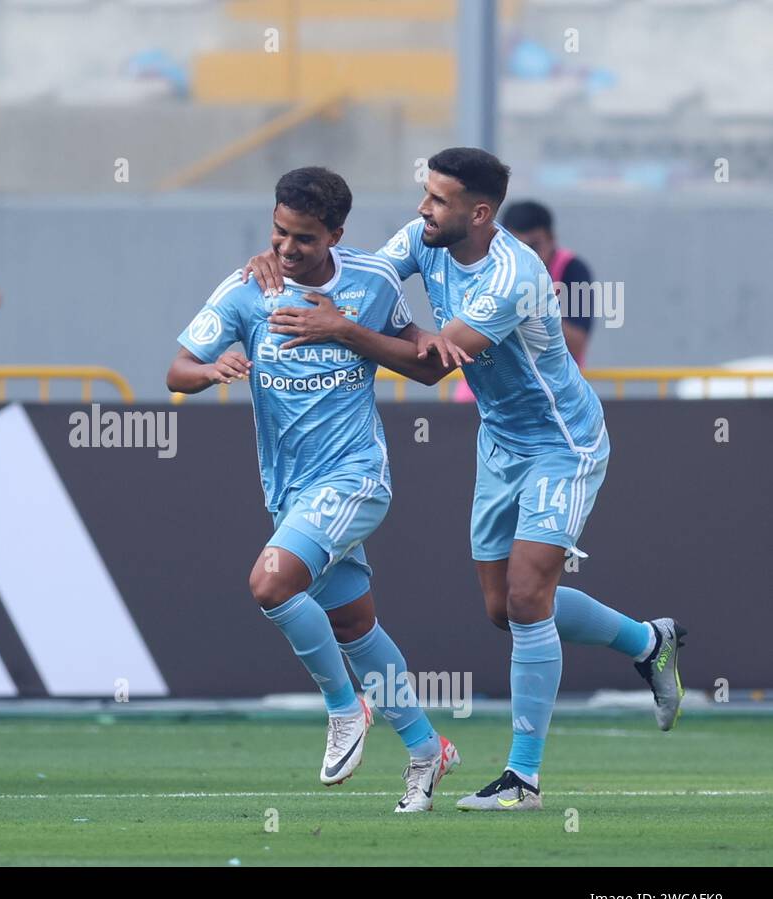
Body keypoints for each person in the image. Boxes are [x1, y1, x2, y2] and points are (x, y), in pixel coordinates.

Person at [244, 147, 685, 813]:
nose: (423, 208)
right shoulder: (425, 237)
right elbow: (358, 276)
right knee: (505, 609)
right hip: (500, 440)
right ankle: (649, 641)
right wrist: (278, 264)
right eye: (426, 193)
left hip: (560, 442)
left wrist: (338, 327)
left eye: (439, 199)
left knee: (531, 594)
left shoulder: (512, 275)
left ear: (478, 213)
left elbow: (431, 365)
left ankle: (523, 779)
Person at [169, 167, 460, 812]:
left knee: (270, 582)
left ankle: (342, 707)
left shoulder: (372, 283)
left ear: (335, 234)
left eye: (303, 237)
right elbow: (176, 371)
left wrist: (386, 336)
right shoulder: (249, 289)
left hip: (356, 476)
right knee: (355, 625)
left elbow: (419, 359)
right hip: (290, 490)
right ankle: (425, 751)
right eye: (278, 232)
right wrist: (210, 369)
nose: (286, 249)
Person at [501, 199, 595, 365]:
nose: (525, 256)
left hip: (554, 384)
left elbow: (577, 344)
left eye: (533, 246)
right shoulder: (489, 268)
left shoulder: (574, 270)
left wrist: (529, 303)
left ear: (551, 239)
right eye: (517, 247)